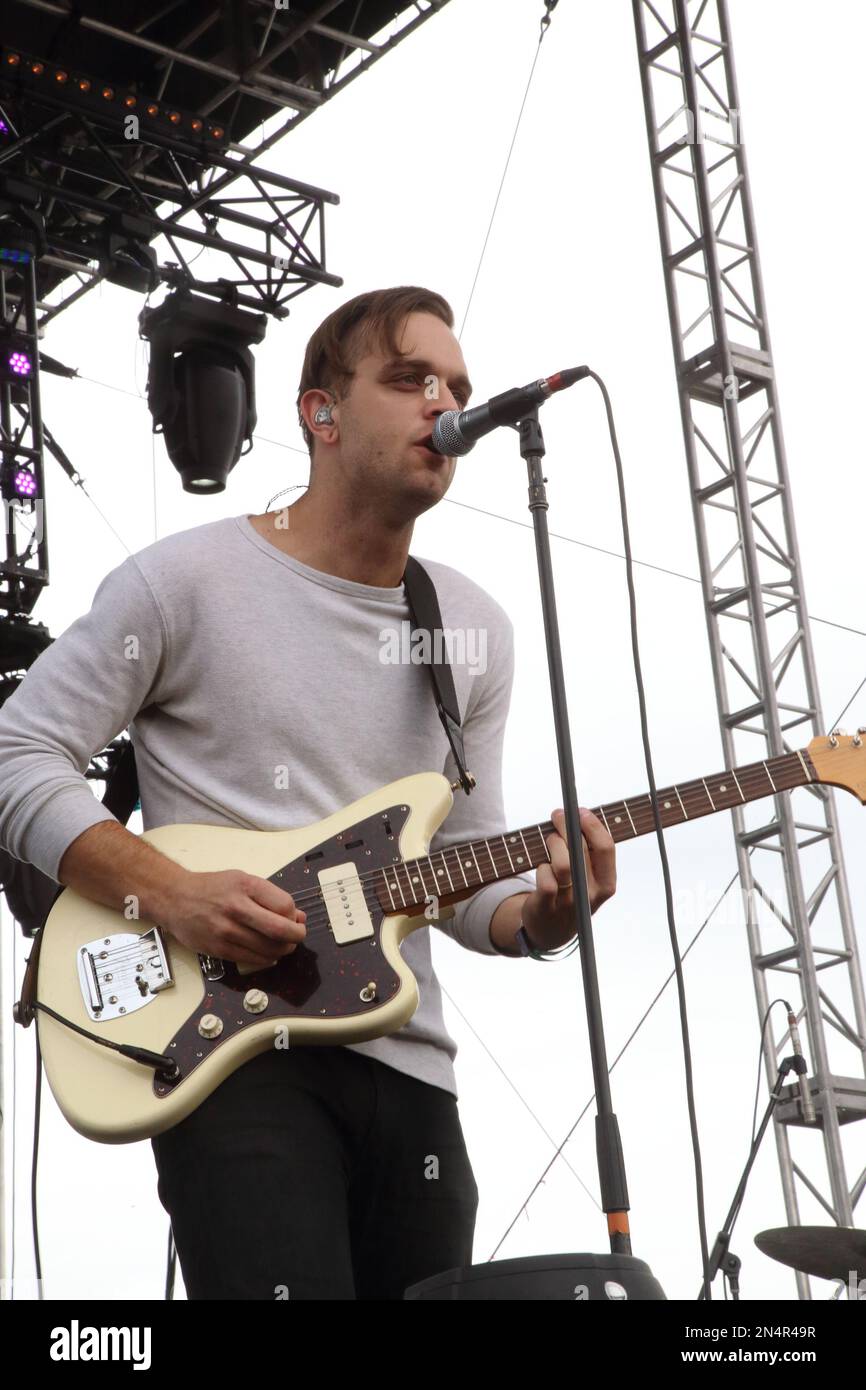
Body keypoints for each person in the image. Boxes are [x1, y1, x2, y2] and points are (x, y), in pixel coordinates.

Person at [0, 285, 616, 1300]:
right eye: (410, 378)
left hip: (412, 1072)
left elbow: (459, 877)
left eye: (455, 386)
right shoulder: (182, 583)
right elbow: (18, 751)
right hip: (233, 1054)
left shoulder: (467, 628)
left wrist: (546, 913)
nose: (443, 402)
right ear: (319, 414)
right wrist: (171, 890)